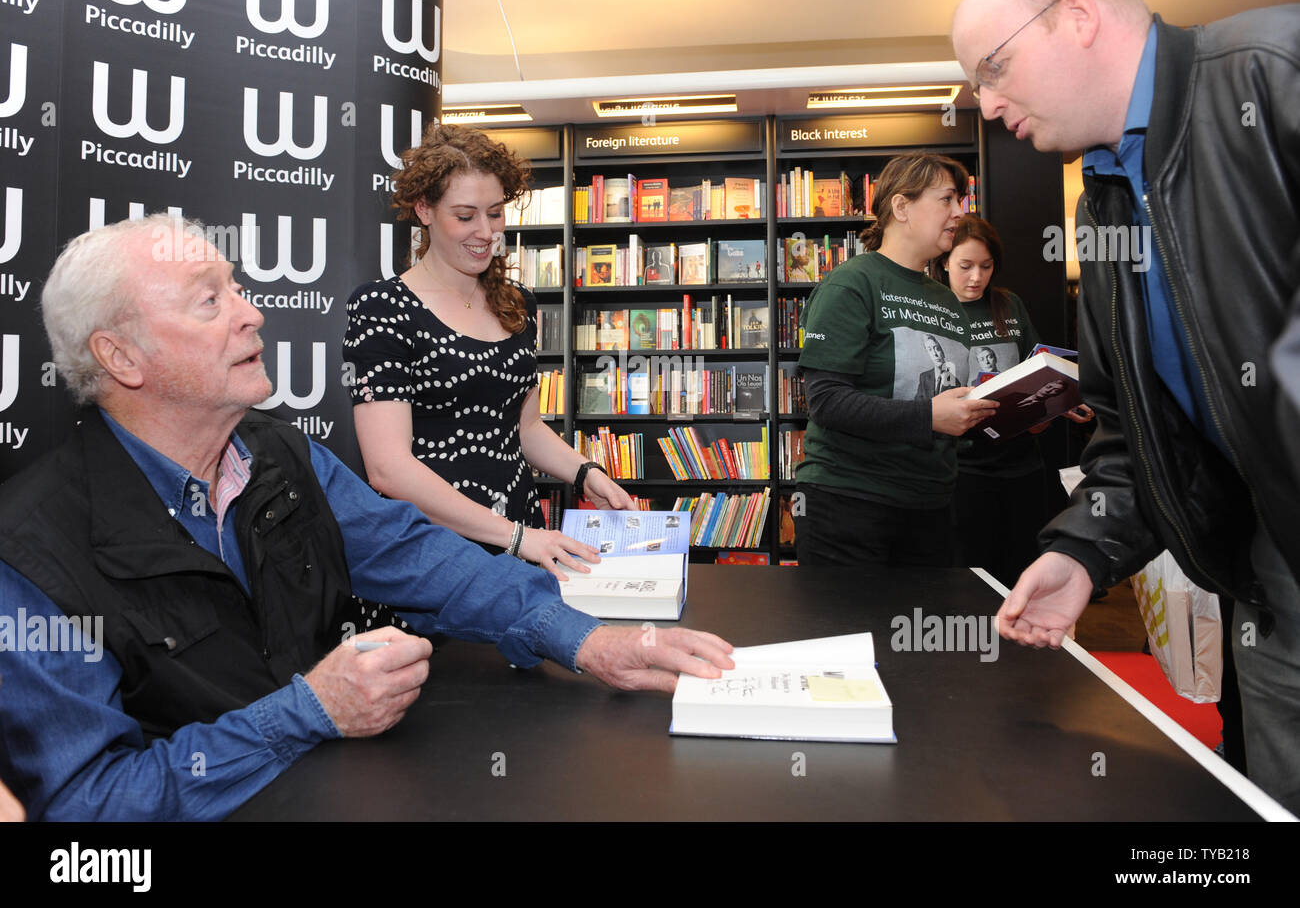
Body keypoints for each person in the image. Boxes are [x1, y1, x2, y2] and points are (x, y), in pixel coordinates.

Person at [0, 215, 734, 821]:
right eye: (208, 301)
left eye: (237, 289)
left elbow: (422, 557)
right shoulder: (33, 554)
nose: (252, 312)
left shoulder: (282, 455)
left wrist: (588, 640)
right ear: (121, 355)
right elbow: (86, 806)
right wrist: (307, 711)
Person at [952, 0, 1299, 809]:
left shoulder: (1272, 74)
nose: (988, 105)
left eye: (993, 69)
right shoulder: (1102, 200)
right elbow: (1133, 432)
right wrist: (1081, 551)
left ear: (1078, 14)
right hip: (1268, 589)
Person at [343, 125, 633, 583]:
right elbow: (387, 469)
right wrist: (515, 537)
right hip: (432, 548)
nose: (485, 232)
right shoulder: (382, 307)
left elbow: (526, 426)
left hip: (521, 535)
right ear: (424, 210)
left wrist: (585, 474)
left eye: (495, 214)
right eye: (465, 216)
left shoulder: (517, 303)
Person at [794, 152, 998, 567]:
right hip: (849, 504)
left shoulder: (945, 297)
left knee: (922, 631)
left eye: (960, 200)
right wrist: (929, 416)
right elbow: (826, 402)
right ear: (901, 207)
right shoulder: (851, 283)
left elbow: (949, 401)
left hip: (931, 505)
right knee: (852, 630)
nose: (960, 212)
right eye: (947, 200)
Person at [933, 215, 1091, 587]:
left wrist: (1055, 404)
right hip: (961, 470)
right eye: (965, 266)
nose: (976, 277)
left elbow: (1035, 367)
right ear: (944, 262)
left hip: (1020, 465)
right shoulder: (932, 310)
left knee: (1019, 573)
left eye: (986, 267)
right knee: (968, 579)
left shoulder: (1009, 305)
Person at [913, 333, 961, 400]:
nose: (934, 354)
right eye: (930, 350)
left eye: (937, 348)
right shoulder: (924, 377)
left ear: (943, 352)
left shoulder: (954, 382)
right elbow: (917, 405)